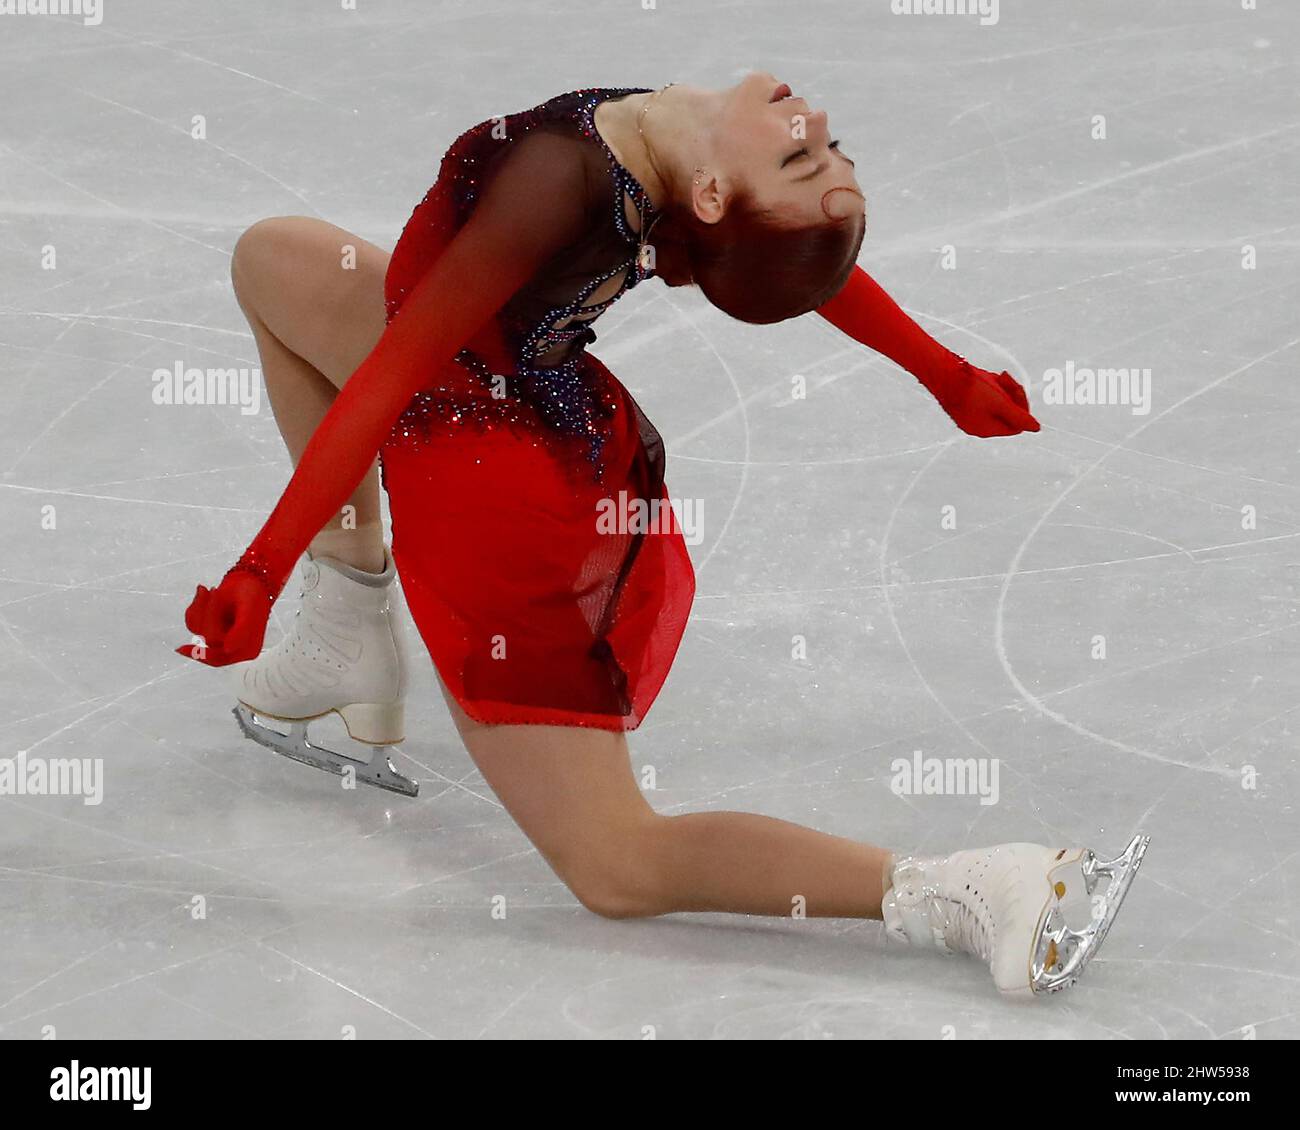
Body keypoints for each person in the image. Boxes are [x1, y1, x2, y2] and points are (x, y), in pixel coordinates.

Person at [178, 75, 1147, 997]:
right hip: (497, 388)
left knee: (615, 862)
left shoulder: (562, 178)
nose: (811, 121)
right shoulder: (681, 131)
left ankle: (970, 887)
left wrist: (257, 569)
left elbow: (390, 376)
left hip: (489, 478)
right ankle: (349, 616)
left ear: (718, 193)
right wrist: (942, 373)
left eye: (803, 157)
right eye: (823, 150)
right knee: (275, 259)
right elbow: (802, 256)